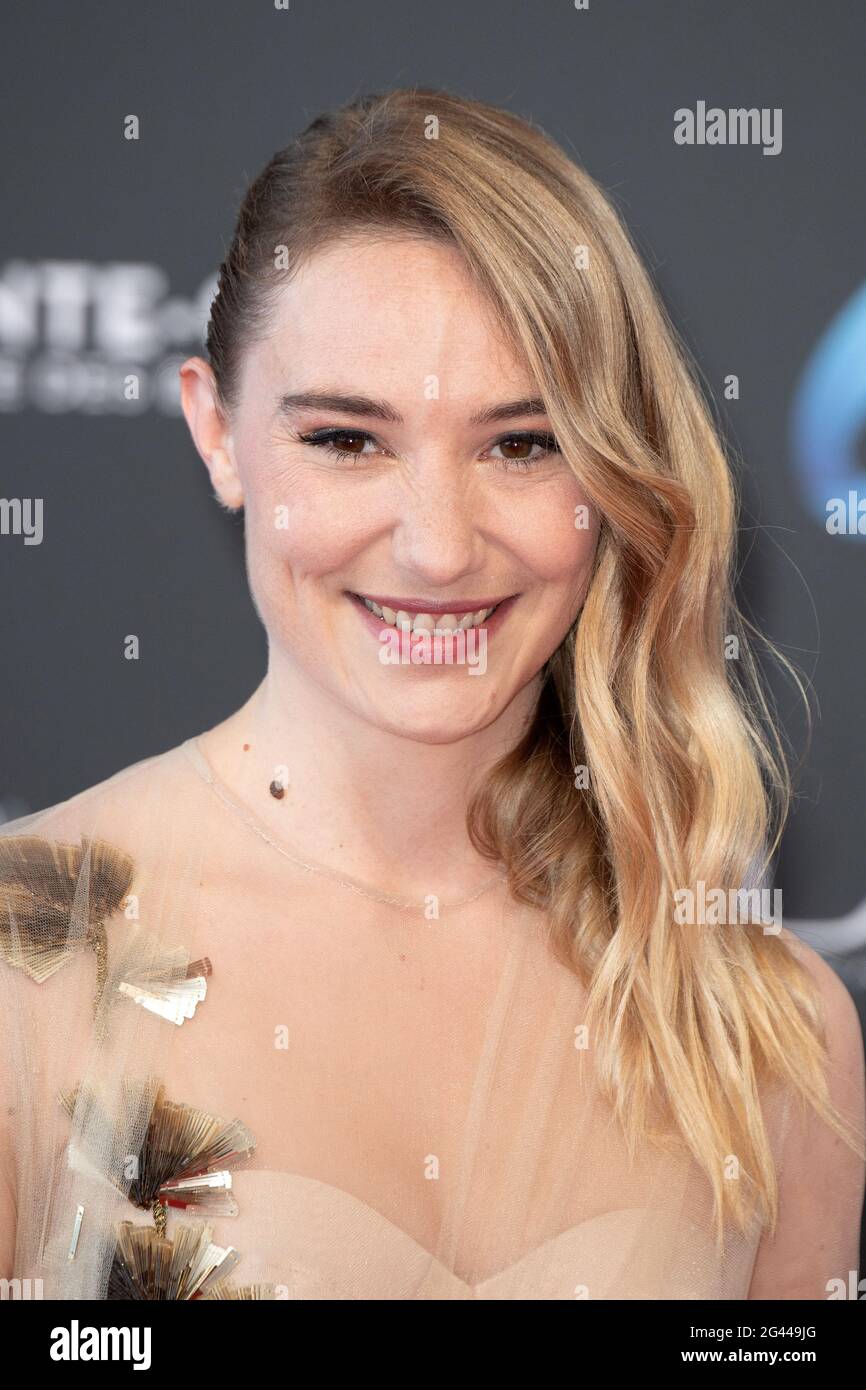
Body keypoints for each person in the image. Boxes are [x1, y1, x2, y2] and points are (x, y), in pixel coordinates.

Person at [0, 88, 863, 1301]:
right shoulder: (25, 965)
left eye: (521, 443)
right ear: (216, 432)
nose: (438, 549)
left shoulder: (765, 1028)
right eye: (348, 440)